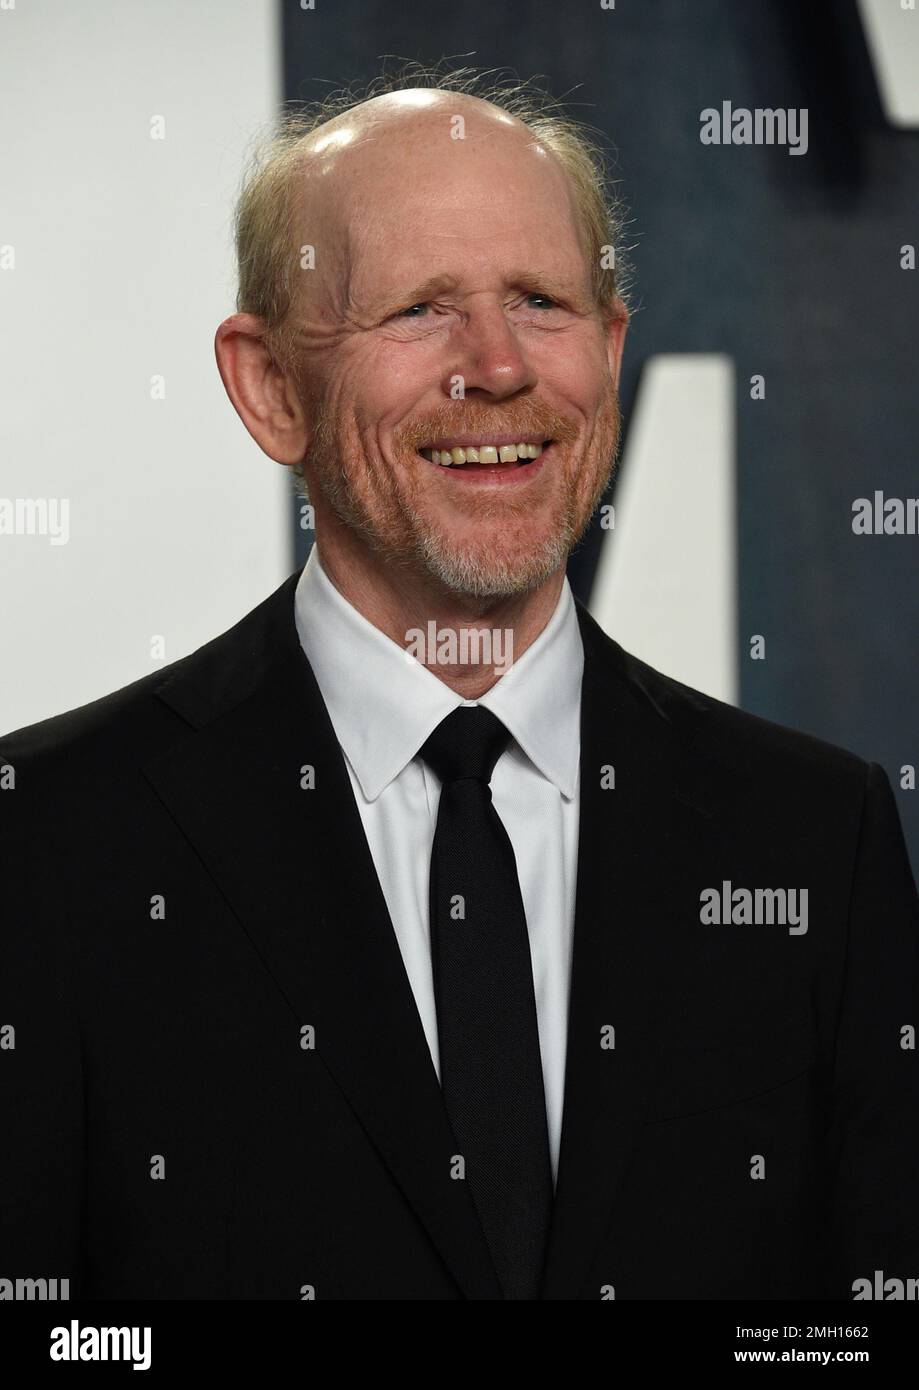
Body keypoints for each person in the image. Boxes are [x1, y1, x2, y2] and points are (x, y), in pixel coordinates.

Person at [2, 73, 917, 1301]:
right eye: (420, 308)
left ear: (609, 348)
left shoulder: (815, 838)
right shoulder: (48, 842)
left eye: (540, 302)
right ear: (271, 385)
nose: (495, 367)